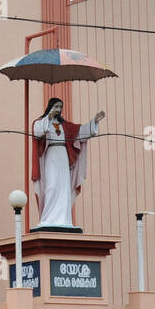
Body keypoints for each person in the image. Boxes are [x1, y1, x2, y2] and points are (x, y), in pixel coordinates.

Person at [31, 97, 105, 229]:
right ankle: (48, 219)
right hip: (51, 155)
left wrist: (94, 121)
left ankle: (63, 220)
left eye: (60, 107)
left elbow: (81, 131)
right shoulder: (41, 122)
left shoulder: (65, 125)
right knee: (51, 186)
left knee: (63, 187)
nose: (58, 110)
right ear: (50, 107)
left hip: (63, 156)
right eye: (56, 107)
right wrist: (48, 117)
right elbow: (37, 133)